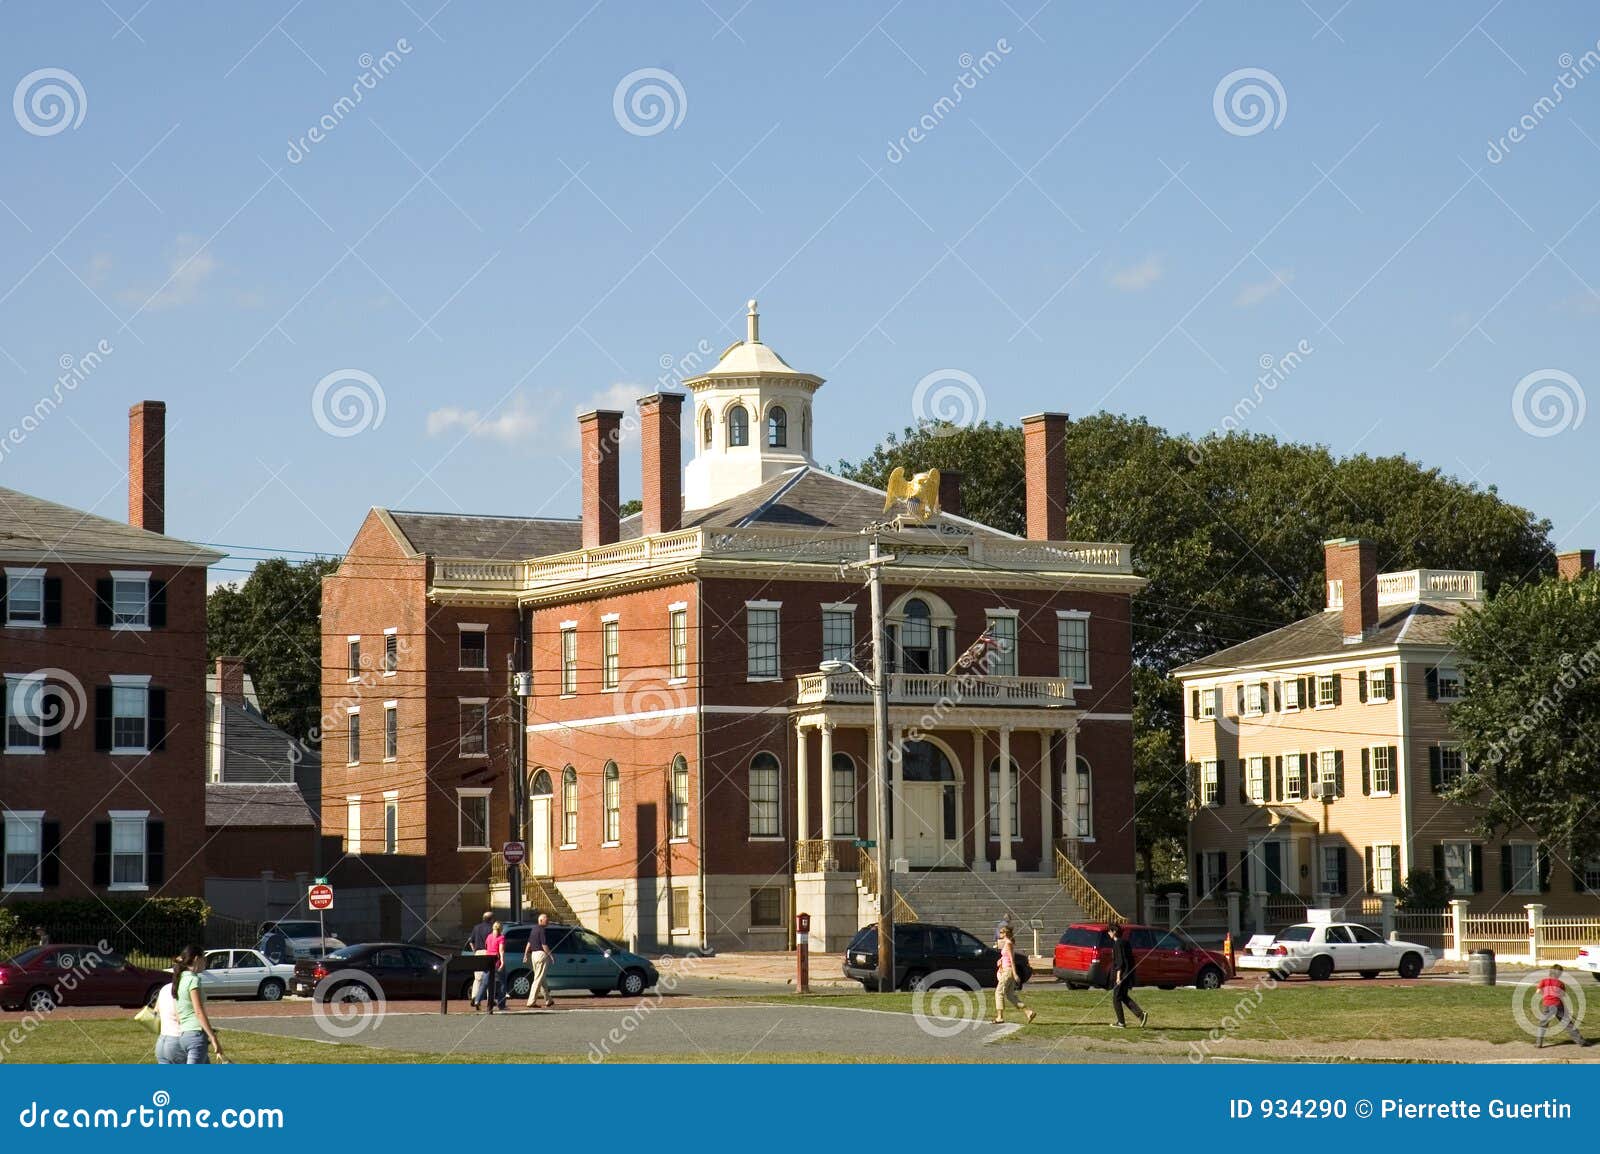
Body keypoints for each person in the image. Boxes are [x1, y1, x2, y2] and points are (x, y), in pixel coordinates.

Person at [172, 944, 225, 1063]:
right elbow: (198, 1011)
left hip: (184, 1035)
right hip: (195, 1036)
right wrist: (213, 1037)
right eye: (204, 959)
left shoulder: (179, 979)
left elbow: (178, 1014)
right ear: (197, 959)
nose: (206, 962)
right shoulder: (193, 979)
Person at [1535, 964, 1589, 1048]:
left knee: (1543, 1024)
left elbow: (1538, 991)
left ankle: (1539, 1043)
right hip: (1558, 1005)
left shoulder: (1544, 981)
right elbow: (1562, 995)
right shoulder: (1561, 984)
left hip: (1547, 1005)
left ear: (1550, 972)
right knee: (1568, 1024)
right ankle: (1581, 1041)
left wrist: (1545, 995)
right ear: (1560, 974)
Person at [992, 924, 1035, 1025]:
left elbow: (1012, 960)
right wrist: (1000, 960)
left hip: (1008, 971)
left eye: (1001, 932)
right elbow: (1006, 957)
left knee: (998, 992)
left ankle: (1000, 1017)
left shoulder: (1008, 944)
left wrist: (1015, 974)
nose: (999, 934)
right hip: (1006, 970)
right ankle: (1029, 1012)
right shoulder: (1007, 943)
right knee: (1010, 995)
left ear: (1005, 933)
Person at [1107, 923, 1147, 1029]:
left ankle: (1121, 1022)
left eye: (1109, 931)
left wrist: (1118, 977)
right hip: (1128, 973)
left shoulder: (1117, 944)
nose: (1108, 933)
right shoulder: (1125, 942)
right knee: (1123, 996)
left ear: (1114, 932)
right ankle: (1141, 1014)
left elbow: (1120, 962)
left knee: (1116, 998)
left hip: (1122, 974)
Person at [523, 913, 554, 1009]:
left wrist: (525, 954)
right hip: (541, 955)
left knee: (541, 978)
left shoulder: (533, 929)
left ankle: (548, 1000)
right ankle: (531, 1001)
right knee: (538, 979)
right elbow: (544, 945)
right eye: (546, 919)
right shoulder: (541, 930)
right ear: (541, 920)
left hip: (534, 955)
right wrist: (551, 955)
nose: (548, 921)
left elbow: (529, 943)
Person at [467, 909, 495, 1011]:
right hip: (488, 952)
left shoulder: (476, 927)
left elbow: (471, 941)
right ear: (491, 919)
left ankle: (474, 997)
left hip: (478, 953)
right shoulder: (492, 928)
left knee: (478, 978)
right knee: (489, 977)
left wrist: (474, 950)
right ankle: (489, 1000)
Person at [153, 977, 183, 1064]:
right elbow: (180, 1017)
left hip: (162, 1041)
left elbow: (156, 1011)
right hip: (178, 1039)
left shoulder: (165, 988)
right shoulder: (183, 989)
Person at [486, 920, 508, 1012]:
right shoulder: (501, 937)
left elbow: (487, 947)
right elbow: (501, 951)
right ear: (501, 928)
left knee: (489, 982)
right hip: (496, 960)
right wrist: (502, 962)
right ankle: (501, 1004)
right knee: (502, 982)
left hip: (488, 959)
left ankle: (488, 1002)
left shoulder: (489, 936)